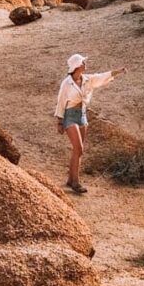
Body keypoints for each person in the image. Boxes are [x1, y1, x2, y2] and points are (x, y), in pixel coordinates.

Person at [54, 52, 124, 193]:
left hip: (82, 116)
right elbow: (61, 102)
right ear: (78, 66)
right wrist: (59, 121)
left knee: (78, 151)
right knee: (79, 148)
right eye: (83, 62)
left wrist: (117, 72)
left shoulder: (87, 79)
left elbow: (102, 77)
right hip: (70, 116)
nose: (85, 64)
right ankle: (76, 183)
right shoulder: (66, 84)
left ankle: (70, 180)